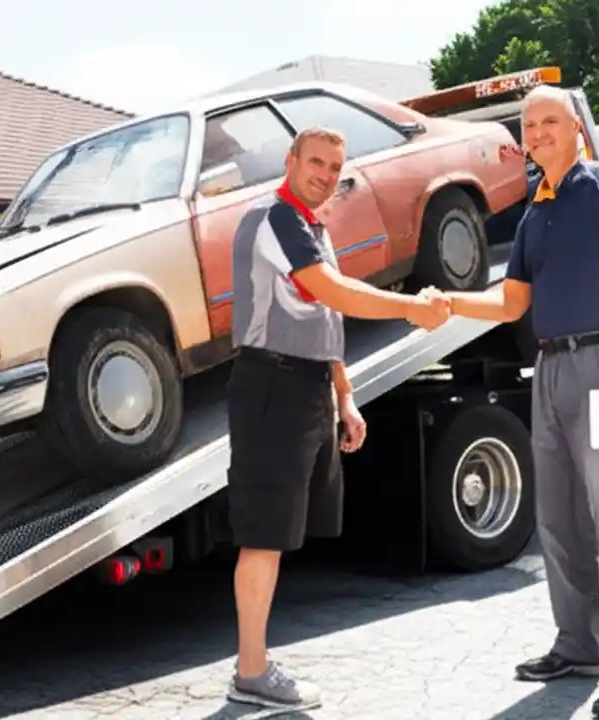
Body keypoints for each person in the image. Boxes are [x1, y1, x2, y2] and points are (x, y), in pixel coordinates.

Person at [428, 85, 599, 718]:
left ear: (574, 129)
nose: (535, 133)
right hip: (550, 371)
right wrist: (449, 303)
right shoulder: (536, 213)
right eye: (526, 125)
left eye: (547, 121)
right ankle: (580, 644)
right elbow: (512, 303)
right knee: (560, 520)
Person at [225, 126, 449, 712]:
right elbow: (332, 290)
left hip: (305, 387)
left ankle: (254, 662)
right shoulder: (274, 218)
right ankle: (251, 672)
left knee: (282, 531)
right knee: (264, 534)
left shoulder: (312, 227)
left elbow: (323, 317)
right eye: (316, 162)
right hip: (269, 385)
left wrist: (343, 395)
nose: (325, 174)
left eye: (334, 167)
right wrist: (411, 309)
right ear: (292, 160)